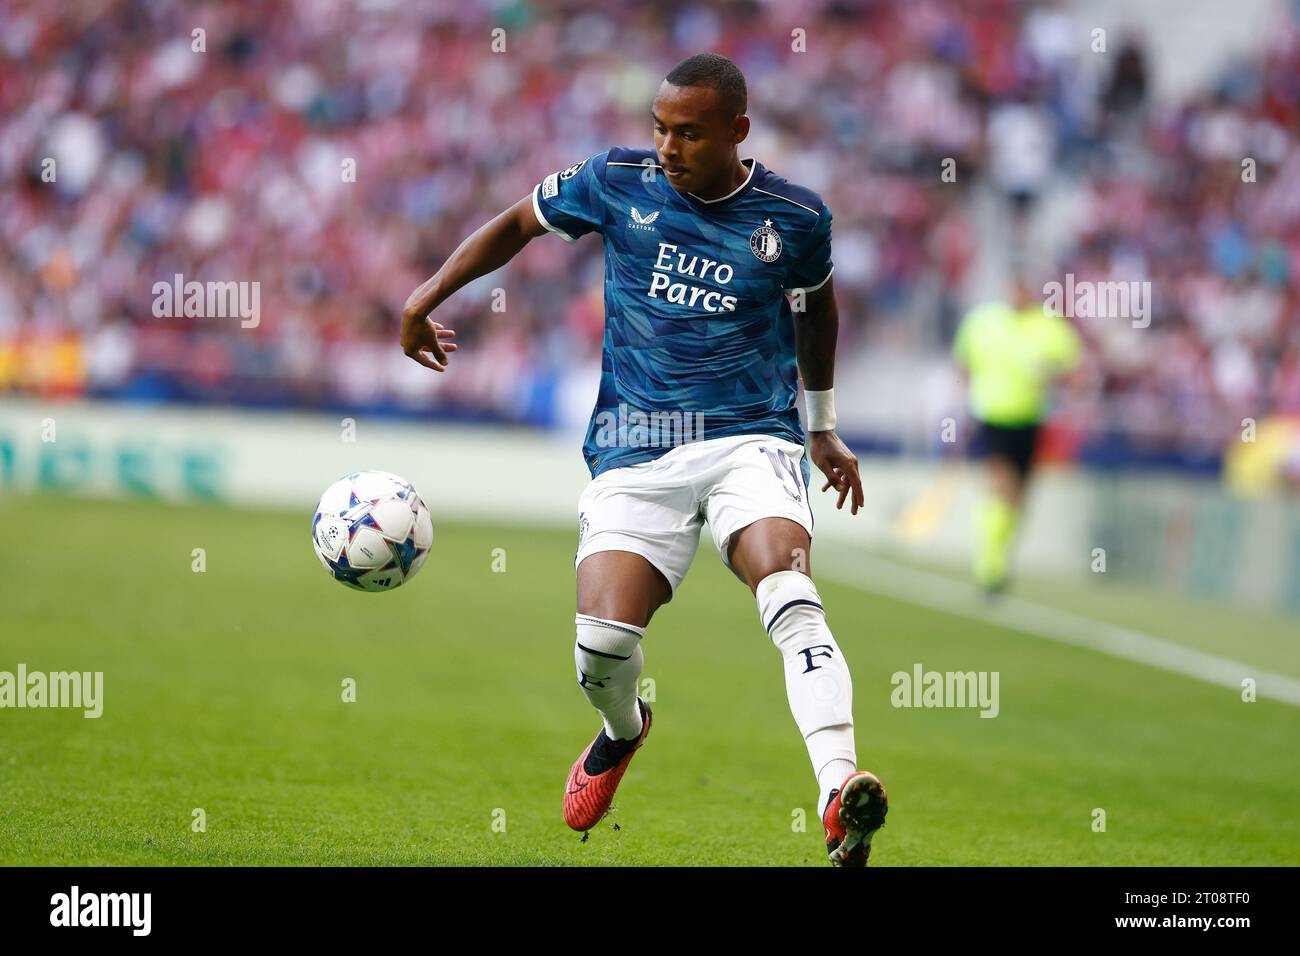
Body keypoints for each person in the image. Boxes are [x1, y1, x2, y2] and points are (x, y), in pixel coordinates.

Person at [400, 53, 887, 866]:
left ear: (737, 131)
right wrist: (424, 299)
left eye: (688, 133)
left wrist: (821, 426)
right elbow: (517, 223)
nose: (667, 146)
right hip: (636, 447)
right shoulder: (614, 181)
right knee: (600, 644)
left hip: (749, 438)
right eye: (660, 128)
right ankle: (623, 730)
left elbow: (817, 310)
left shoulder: (795, 218)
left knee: (789, 589)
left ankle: (837, 795)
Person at [953, 272, 1082, 592]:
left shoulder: (1049, 328)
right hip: (994, 416)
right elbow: (963, 364)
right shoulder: (983, 322)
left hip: (1030, 420)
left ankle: (999, 555)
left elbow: (1075, 373)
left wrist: (1052, 380)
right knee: (1000, 483)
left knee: (1019, 497)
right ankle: (989, 565)